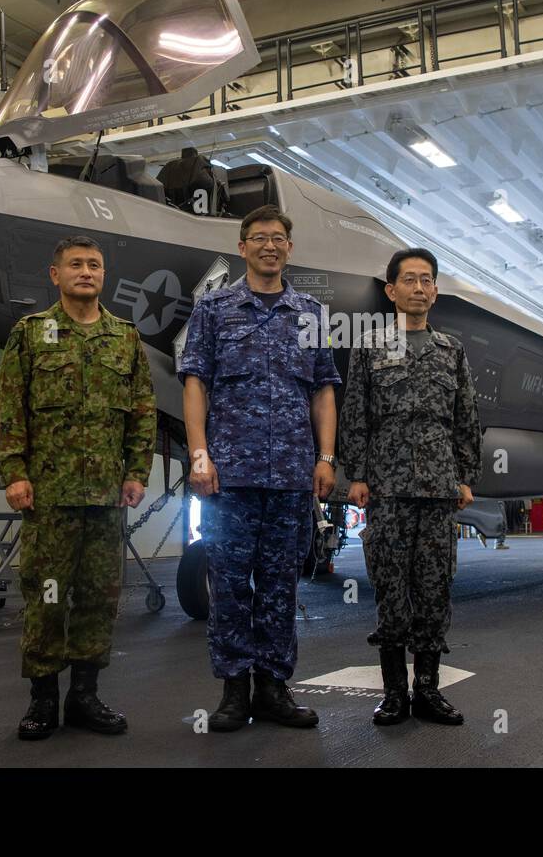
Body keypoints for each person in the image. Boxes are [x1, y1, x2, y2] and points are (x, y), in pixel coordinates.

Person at [179, 205, 340, 732]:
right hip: (229, 474)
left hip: (292, 472)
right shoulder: (214, 310)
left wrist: (325, 457)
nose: (269, 246)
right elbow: (196, 382)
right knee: (228, 584)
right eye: (259, 238)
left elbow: (323, 391)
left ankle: (273, 687)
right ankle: (233, 691)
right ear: (242, 247)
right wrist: (199, 455)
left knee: (280, 584)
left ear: (289, 249)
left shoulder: (312, 313)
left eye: (278, 238)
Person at [0, 235, 156, 741]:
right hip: (49, 498)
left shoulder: (125, 339)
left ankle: (85, 697)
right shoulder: (30, 333)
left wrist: (136, 473)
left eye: (95, 265)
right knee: (46, 597)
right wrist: (14, 473)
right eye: (76, 265)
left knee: (98, 597)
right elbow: (9, 411)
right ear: (55, 274)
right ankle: (43, 700)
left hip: (105, 499)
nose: (86, 272)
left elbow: (143, 411)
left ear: (103, 276)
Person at [339, 247, 482, 726]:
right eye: (410, 280)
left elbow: (466, 419)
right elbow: (355, 414)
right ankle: (394, 694)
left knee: (435, 589)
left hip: (440, 489)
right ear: (391, 291)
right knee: (391, 590)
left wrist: (465, 476)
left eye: (427, 280)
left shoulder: (452, 351)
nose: (419, 288)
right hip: (387, 489)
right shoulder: (371, 347)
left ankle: (428, 690)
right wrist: (355, 474)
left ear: (436, 291)